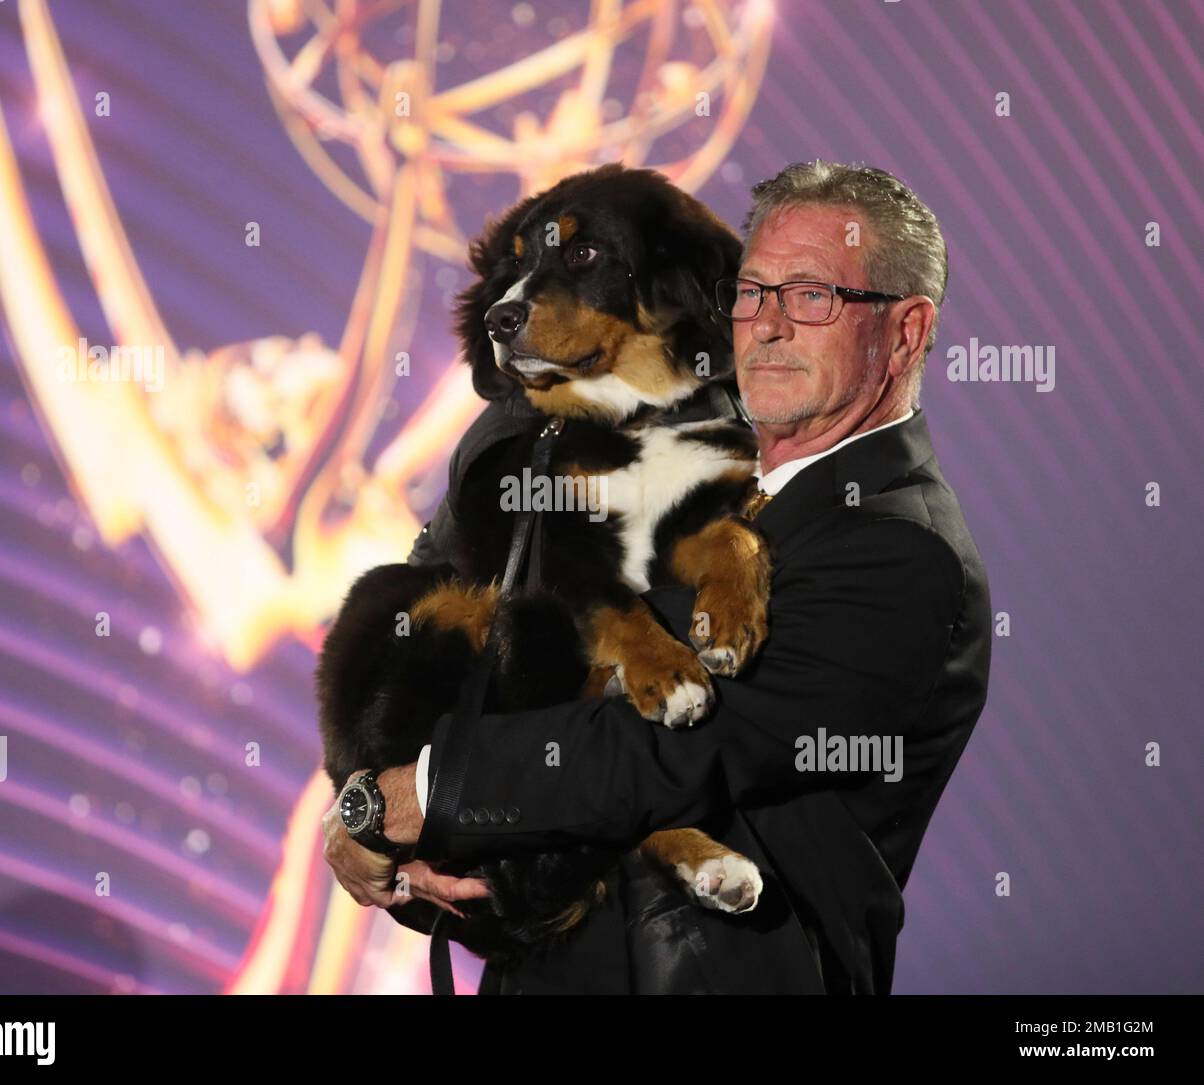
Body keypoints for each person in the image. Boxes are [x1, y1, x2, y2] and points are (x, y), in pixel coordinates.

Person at [323, 160, 992, 994]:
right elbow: (452, 680)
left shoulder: (898, 548)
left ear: (906, 332)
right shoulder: (635, 460)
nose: (770, 326)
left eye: (814, 296)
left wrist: (427, 789)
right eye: (753, 292)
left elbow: (654, 753)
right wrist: (377, 818)